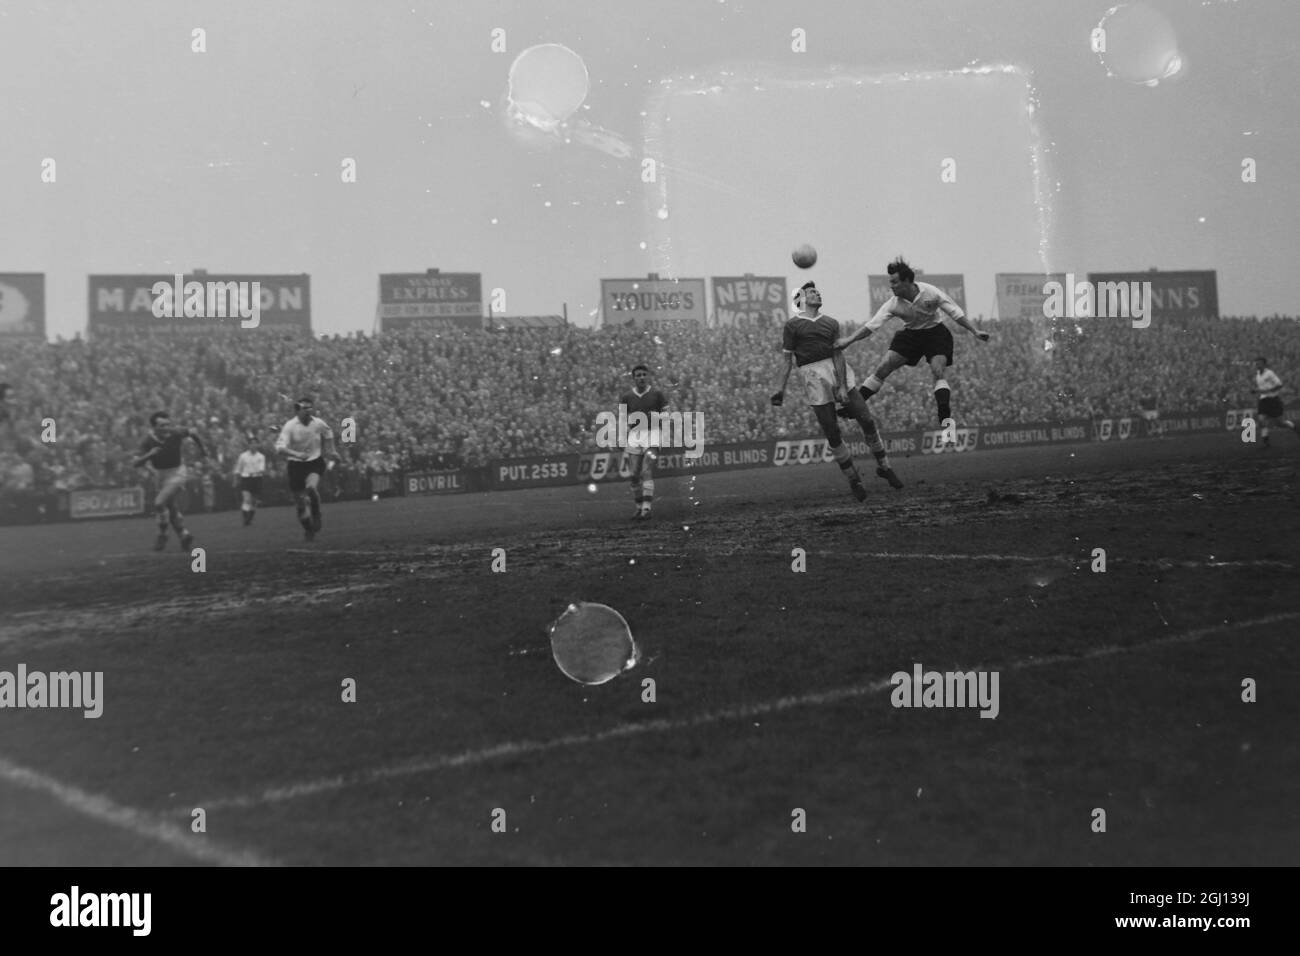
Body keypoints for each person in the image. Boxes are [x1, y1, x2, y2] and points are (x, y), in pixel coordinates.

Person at [771, 281, 902, 501]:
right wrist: (779, 389)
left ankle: (884, 466)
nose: (817, 293)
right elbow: (787, 361)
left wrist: (841, 385)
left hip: (836, 370)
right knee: (832, 431)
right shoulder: (792, 326)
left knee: (866, 420)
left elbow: (838, 354)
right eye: (812, 292)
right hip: (812, 375)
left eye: (818, 291)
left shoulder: (830, 323)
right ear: (802, 299)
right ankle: (854, 479)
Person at [838, 257, 990, 433]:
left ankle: (944, 413)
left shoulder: (931, 293)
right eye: (890, 282)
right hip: (911, 335)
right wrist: (849, 340)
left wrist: (975, 331)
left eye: (894, 282)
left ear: (908, 281)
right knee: (883, 368)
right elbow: (871, 326)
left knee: (937, 371)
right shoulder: (893, 304)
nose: (891, 286)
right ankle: (854, 408)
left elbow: (955, 312)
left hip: (935, 333)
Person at [132, 411, 207, 551]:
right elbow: (135, 463)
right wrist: (149, 454)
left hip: (177, 472)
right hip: (160, 475)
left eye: (168, 424)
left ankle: (162, 534)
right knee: (171, 508)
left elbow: (193, 432)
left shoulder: (176, 432)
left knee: (159, 503)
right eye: (162, 425)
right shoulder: (147, 440)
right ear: (154, 427)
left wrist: (203, 450)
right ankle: (184, 535)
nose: (166, 428)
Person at [274, 397, 341, 541]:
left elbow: (328, 433)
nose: (308, 411)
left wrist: (331, 451)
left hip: (314, 462)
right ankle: (308, 529)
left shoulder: (318, 423)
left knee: (311, 487)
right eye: (305, 408)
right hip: (296, 465)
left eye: (310, 408)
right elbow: (279, 448)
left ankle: (316, 514)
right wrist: (297, 454)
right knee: (300, 503)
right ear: (297, 410)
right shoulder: (290, 426)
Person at [620, 364, 667, 519]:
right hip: (635, 435)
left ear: (648, 376)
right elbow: (623, 419)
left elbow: (667, 414)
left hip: (653, 434)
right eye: (638, 375)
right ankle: (639, 507)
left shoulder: (657, 394)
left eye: (643, 374)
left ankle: (646, 509)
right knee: (633, 474)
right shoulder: (626, 397)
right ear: (633, 378)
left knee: (646, 469)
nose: (641, 377)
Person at [1252, 356, 1298, 448]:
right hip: (1263, 400)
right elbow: (1263, 388)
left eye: (1259, 363)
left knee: (1280, 423)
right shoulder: (1257, 374)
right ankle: (1266, 441)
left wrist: (1268, 391)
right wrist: (1256, 390)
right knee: (1261, 420)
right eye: (1256, 363)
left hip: (1273, 400)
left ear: (1264, 364)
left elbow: (1279, 385)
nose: (1257, 365)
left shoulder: (1269, 373)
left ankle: (1295, 428)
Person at [233, 435, 267, 526]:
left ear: (258, 445)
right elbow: (238, 469)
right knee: (246, 499)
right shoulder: (243, 456)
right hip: (246, 479)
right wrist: (236, 479)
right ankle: (245, 520)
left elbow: (262, 469)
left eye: (255, 443)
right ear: (248, 445)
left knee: (254, 502)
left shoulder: (261, 456)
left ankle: (249, 519)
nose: (253, 445)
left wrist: (261, 471)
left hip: (257, 479)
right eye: (251, 443)